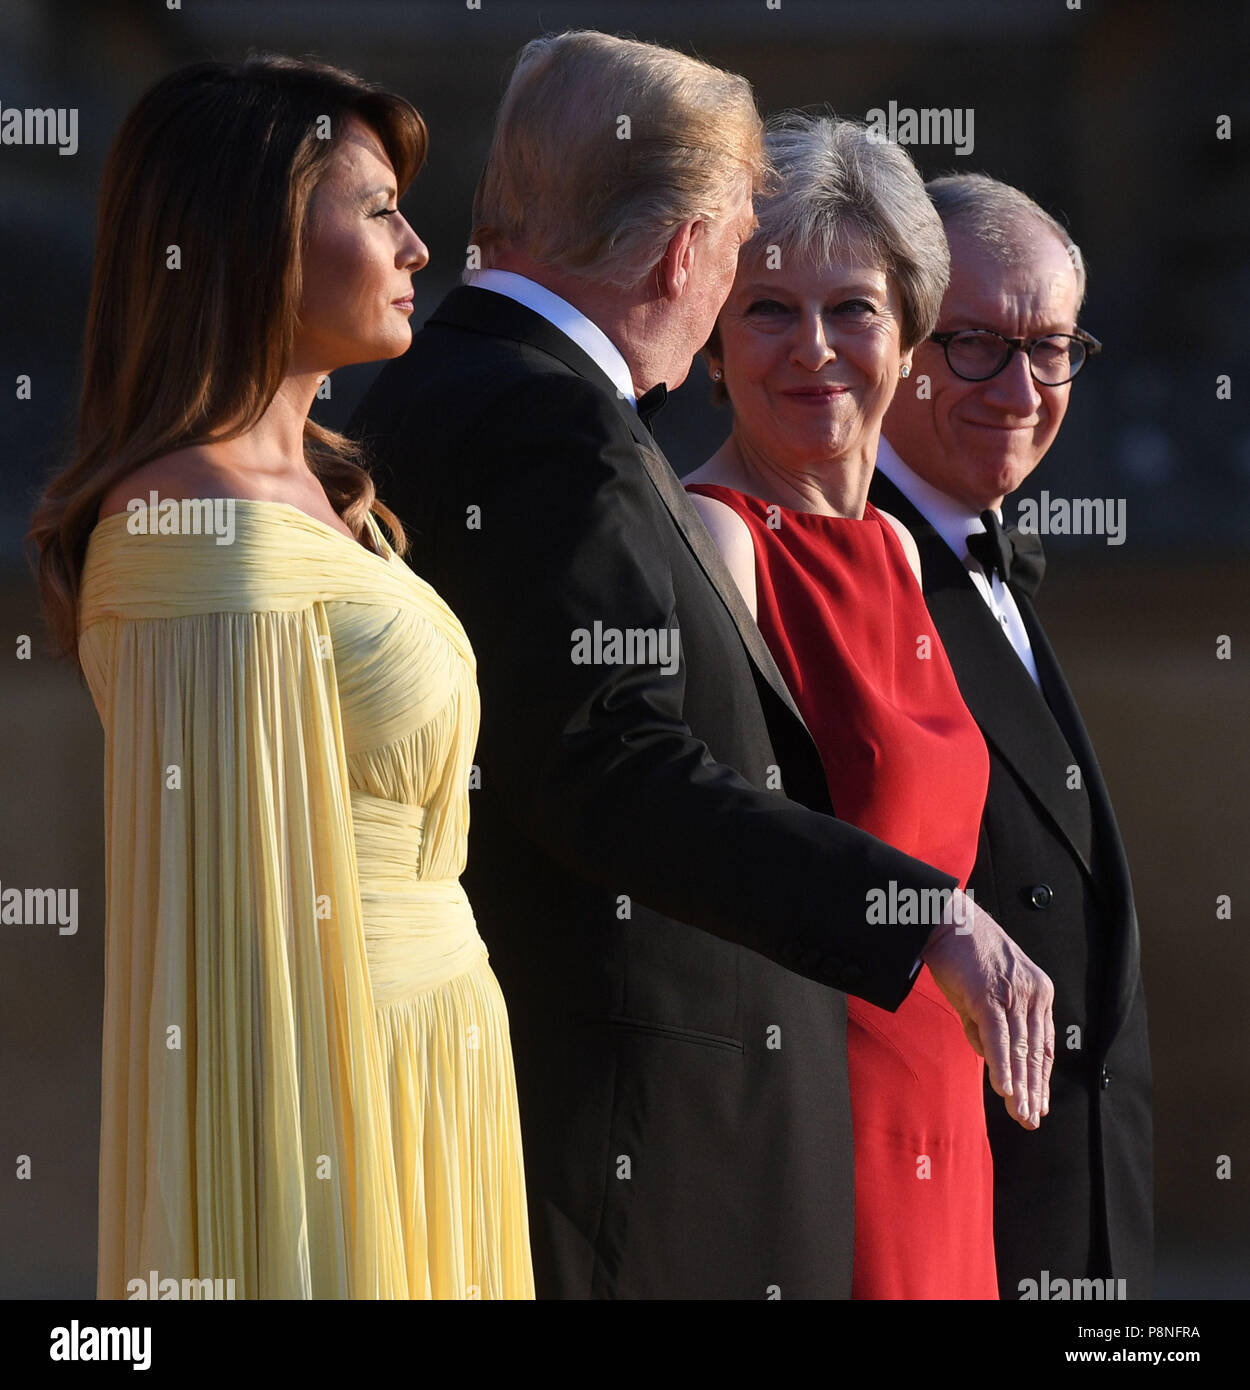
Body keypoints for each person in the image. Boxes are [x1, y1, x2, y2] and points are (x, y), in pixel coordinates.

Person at [349, 29, 1052, 1300]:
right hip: (626, 1138)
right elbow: (610, 762)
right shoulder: (552, 420)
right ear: (687, 255)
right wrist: (920, 910)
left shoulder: (444, 390)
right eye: (745, 263)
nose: (786, 329)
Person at [26, 56, 533, 1300]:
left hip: (434, 1060)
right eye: (374, 209)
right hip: (334, 1091)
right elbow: (236, 971)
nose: (419, 245)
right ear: (246, 236)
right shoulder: (196, 537)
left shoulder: (323, 501)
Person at [683, 111, 999, 1298]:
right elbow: (701, 843)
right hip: (808, 1118)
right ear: (711, 338)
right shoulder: (715, 535)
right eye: (767, 309)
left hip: (942, 1100)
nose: (811, 347)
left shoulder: (899, 553)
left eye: (850, 308)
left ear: (908, 330)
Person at [870, 172, 1153, 1298]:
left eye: (1050, 346)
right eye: (974, 342)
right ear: (896, 342)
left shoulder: (984, 550)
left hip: (1077, 1206)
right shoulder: (844, 560)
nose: (1020, 387)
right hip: (948, 1209)